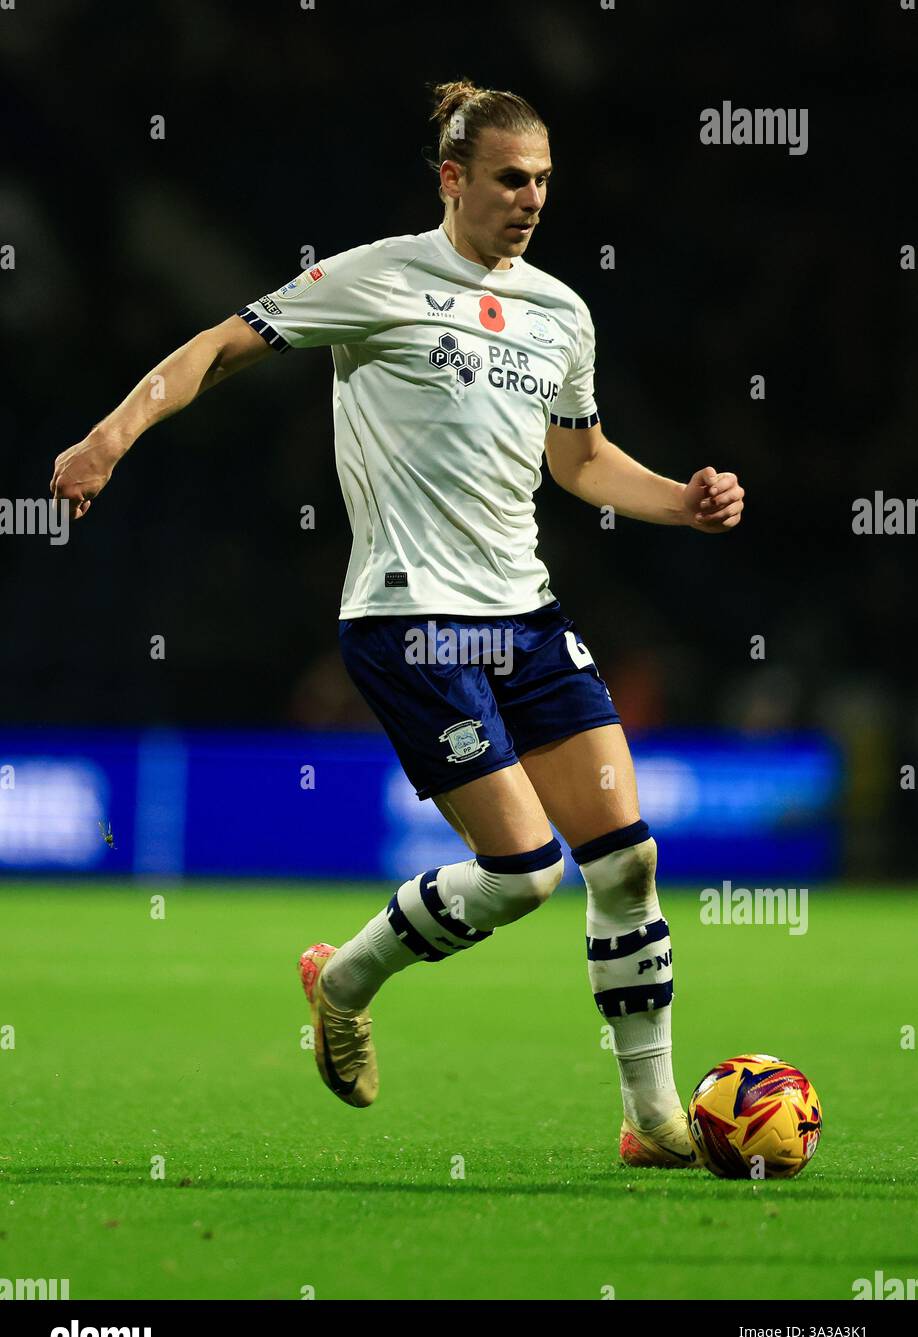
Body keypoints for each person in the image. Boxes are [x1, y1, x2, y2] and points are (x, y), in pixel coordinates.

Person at [50, 78, 744, 1168]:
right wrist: (107, 438)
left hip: (527, 612)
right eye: (512, 179)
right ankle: (345, 980)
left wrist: (680, 500)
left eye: (546, 181)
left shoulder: (562, 309)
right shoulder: (374, 278)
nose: (532, 199)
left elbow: (579, 459)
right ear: (452, 179)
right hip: (411, 617)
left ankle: (653, 1122)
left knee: (628, 861)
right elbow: (212, 348)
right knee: (524, 875)